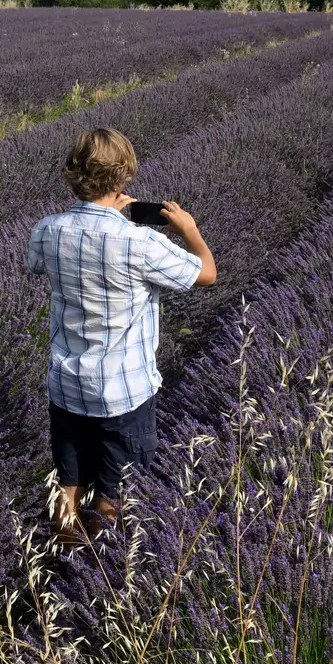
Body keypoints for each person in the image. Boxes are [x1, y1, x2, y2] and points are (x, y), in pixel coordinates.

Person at [24, 127, 218, 548]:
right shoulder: (140, 241)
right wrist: (189, 230)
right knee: (115, 486)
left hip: (66, 380)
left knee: (69, 480)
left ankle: (64, 558)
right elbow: (207, 274)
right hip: (123, 389)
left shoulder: (48, 230)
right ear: (122, 178)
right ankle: (100, 570)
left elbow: (36, 265)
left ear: (75, 174)